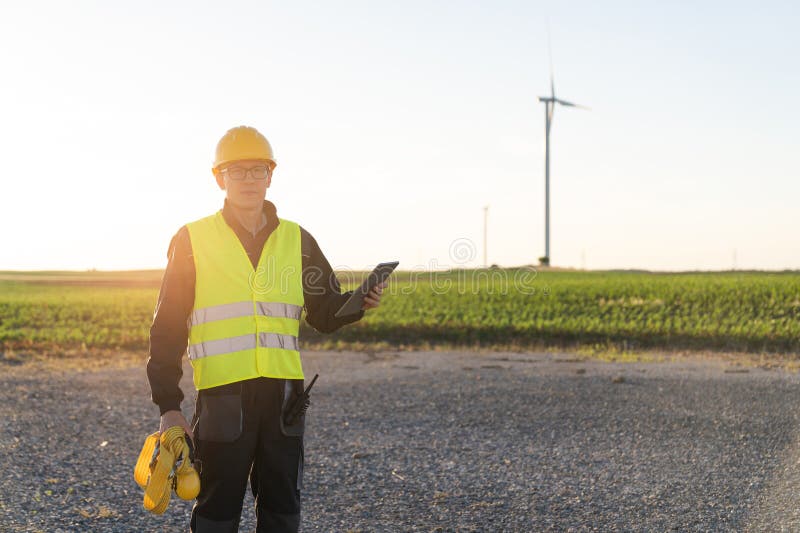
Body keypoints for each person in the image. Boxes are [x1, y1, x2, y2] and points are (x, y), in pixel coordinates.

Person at [146, 125, 386, 532]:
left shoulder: (298, 239)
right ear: (219, 177)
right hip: (224, 397)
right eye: (237, 171)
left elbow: (324, 313)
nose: (248, 180)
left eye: (258, 170)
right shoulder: (192, 239)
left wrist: (357, 304)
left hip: (285, 400)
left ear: (271, 175)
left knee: (282, 510)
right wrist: (169, 406)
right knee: (216, 511)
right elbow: (167, 326)